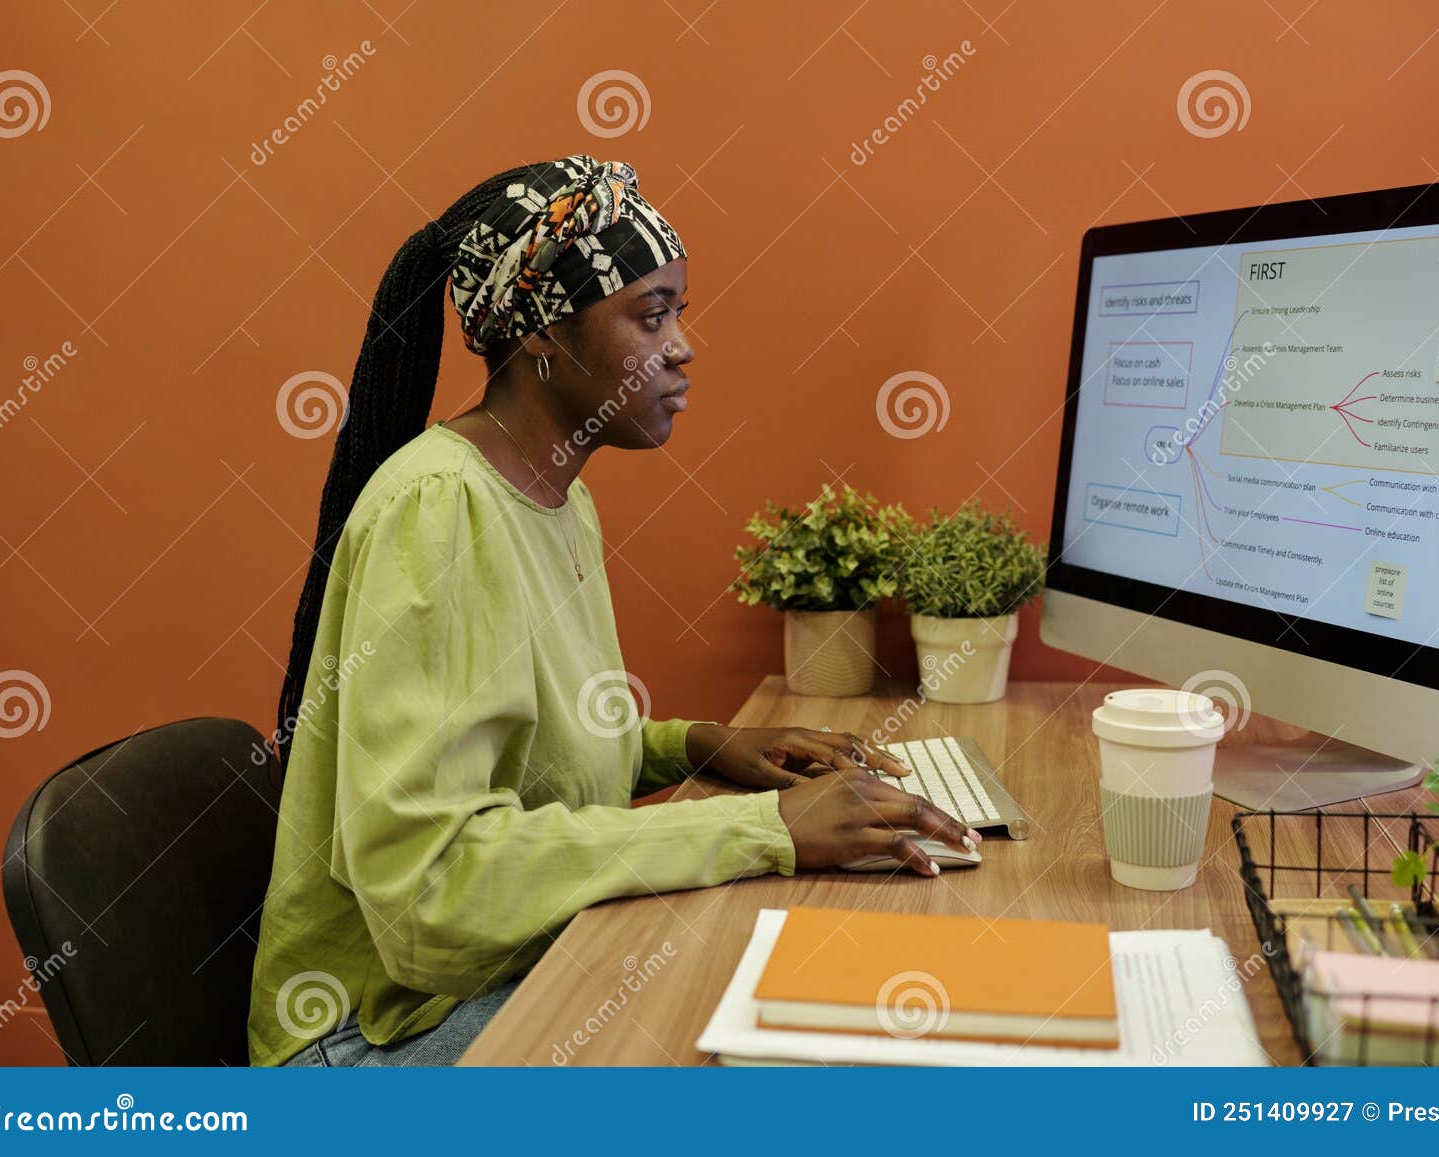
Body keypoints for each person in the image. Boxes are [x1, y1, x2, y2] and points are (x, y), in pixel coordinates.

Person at [248, 155, 977, 1067]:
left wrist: (694, 744)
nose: (684, 346)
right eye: (651, 314)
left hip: (473, 981)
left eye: (679, 309)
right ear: (543, 337)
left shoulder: (555, 496)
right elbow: (427, 895)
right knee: (755, 1044)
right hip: (370, 1039)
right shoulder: (439, 510)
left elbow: (539, 755)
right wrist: (758, 828)